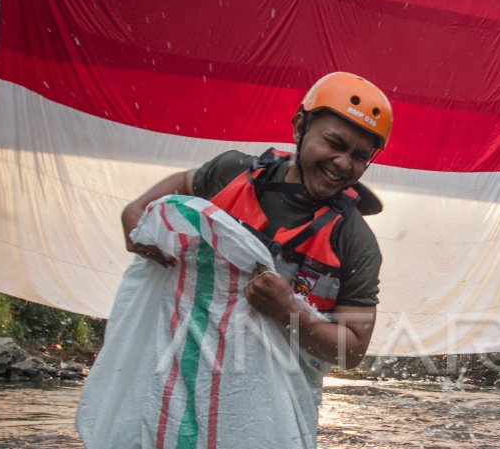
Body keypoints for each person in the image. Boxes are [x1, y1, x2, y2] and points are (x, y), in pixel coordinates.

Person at [120, 71, 391, 370]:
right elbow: (185, 182)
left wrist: (289, 312)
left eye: (359, 157)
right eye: (334, 143)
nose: (342, 163)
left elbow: (352, 352)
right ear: (300, 127)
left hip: (275, 393)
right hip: (183, 368)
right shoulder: (231, 173)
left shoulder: (356, 242)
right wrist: (135, 211)